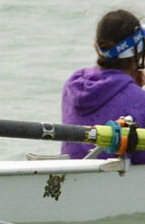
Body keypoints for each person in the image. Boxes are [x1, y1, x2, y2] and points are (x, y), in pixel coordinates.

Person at [61, 9, 145, 164]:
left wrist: (132, 88)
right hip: (115, 183)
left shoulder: (72, 85)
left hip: (72, 178)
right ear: (138, 51)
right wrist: (136, 92)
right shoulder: (138, 100)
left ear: (96, 47)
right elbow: (141, 157)